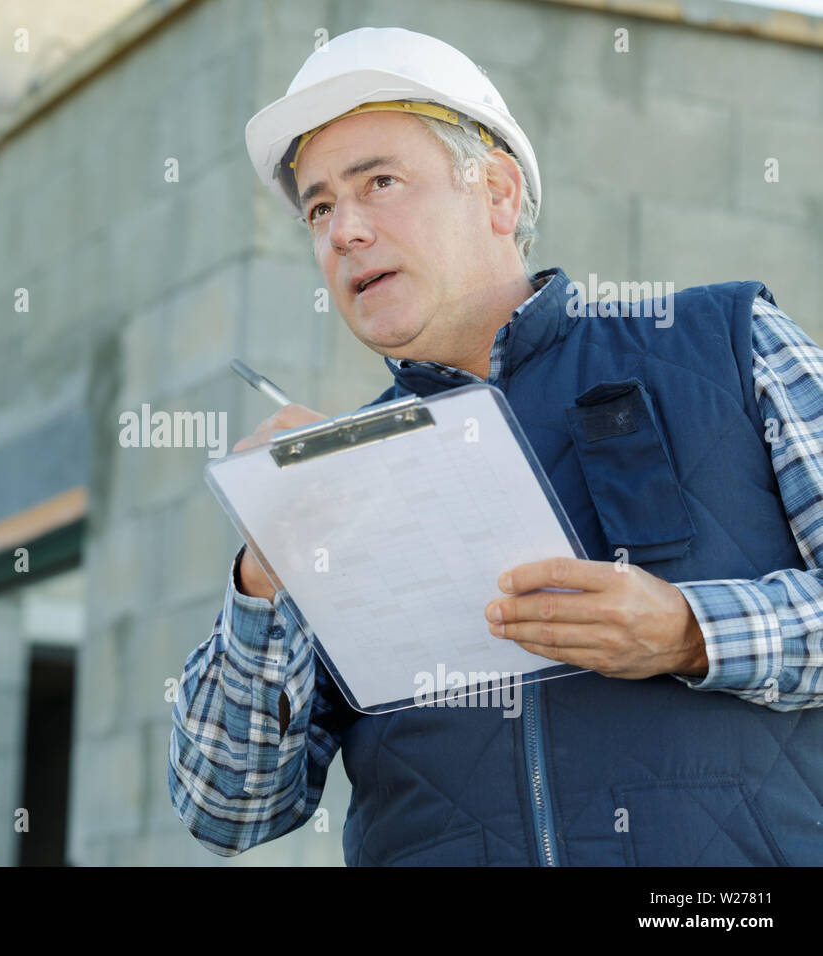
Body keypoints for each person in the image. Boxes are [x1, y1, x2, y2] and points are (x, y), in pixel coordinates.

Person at [168, 26, 823, 865]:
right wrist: (263, 574)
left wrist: (690, 633)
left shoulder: (726, 343)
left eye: (381, 182)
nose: (344, 232)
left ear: (499, 194)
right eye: (320, 207)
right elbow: (225, 808)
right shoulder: (331, 487)